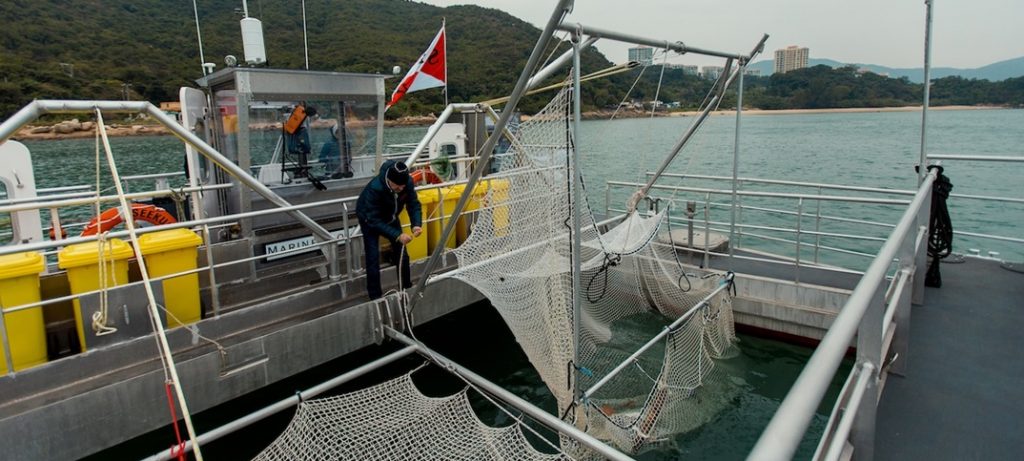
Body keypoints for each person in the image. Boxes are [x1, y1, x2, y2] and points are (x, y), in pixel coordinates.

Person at [356, 160, 422, 299]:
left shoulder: (407, 184)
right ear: (389, 180)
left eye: (403, 186)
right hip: (369, 220)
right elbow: (373, 220)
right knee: (373, 258)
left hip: (391, 217)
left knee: (403, 254)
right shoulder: (374, 189)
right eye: (397, 186)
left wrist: (416, 224)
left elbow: (413, 204)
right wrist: (397, 235)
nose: (401, 189)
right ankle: (375, 297)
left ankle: (406, 287)